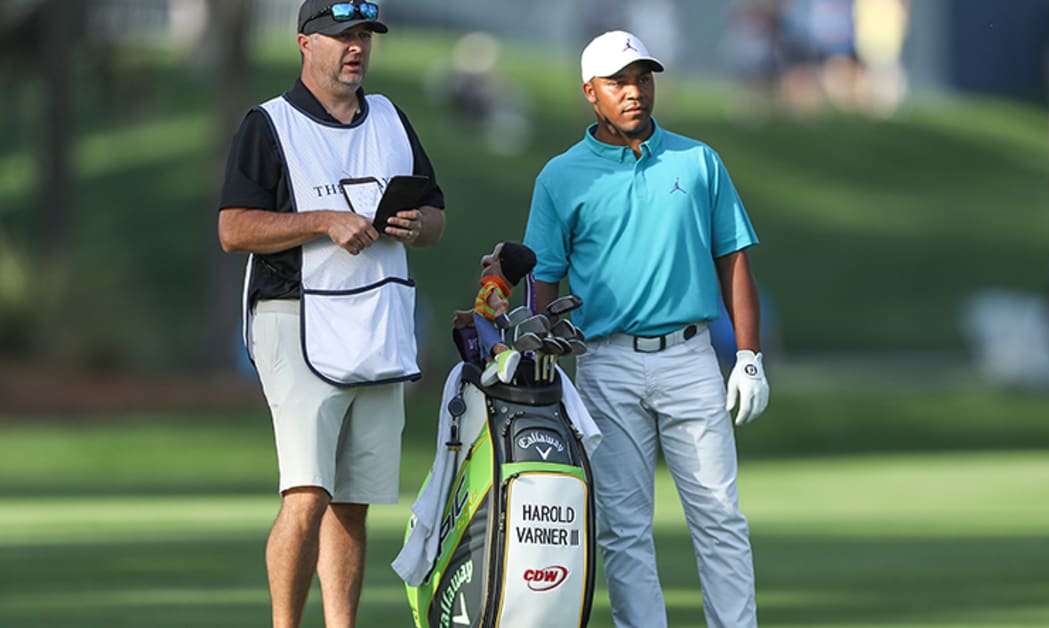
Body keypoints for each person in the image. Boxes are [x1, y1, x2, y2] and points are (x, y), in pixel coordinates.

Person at [522, 30, 770, 628]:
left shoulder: (698, 160)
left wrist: (749, 356)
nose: (634, 93)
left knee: (719, 516)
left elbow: (733, 258)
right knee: (624, 527)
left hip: (690, 358)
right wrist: (537, 364)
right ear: (591, 93)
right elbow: (542, 279)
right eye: (619, 83)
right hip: (605, 363)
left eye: (643, 79)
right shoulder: (561, 177)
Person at [216, 2, 445, 626]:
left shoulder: (393, 119)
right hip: (296, 318)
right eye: (342, 35)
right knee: (308, 492)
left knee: (353, 502)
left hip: (376, 325)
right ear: (304, 43)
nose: (357, 47)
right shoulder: (268, 125)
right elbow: (233, 228)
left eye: (365, 35)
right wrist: (321, 221)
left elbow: (436, 220)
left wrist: (413, 224)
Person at [453, 241, 536, 385]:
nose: (486, 259)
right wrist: (466, 317)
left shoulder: (491, 285)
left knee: (489, 339)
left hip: (485, 320)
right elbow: (480, 308)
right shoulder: (499, 288)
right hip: (483, 317)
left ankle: (503, 354)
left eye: (494, 256)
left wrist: (499, 311)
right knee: (485, 345)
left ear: (500, 264)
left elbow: (494, 301)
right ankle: (491, 365)